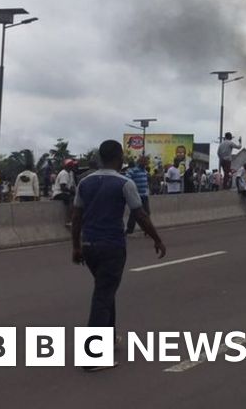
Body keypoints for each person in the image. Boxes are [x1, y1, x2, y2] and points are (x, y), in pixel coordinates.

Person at [71, 140, 165, 372]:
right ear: (119, 157)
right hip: (112, 247)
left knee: (105, 289)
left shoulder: (85, 182)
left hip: (89, 245)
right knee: (103, 296)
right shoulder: (125, 183)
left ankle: (109, 338)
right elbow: (140, 215)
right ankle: (92, 356)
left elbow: (76, 217)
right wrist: (157, 239)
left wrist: (76, 246)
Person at [125, 158, 151, 235]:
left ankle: (146, 229)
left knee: (146, 213)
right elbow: (127, 178)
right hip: (136, 195)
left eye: (146, 163)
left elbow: (146, 180)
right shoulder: (133, 170)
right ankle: (130, 229)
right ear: (139, 163)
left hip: (144, 195)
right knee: (134, 213)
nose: (145, 165)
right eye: (144, 163)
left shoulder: (144, 171)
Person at [54, 160, 78, 226]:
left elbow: (72, 185)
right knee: (71, 199)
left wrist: (75, 191)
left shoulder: (70, 173)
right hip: (58, 193)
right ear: (70, 166)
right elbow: (63, 187)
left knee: (75, 198)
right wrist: (72, 192)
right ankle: (69, 220)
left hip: (65, 193)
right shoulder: (64, 173)